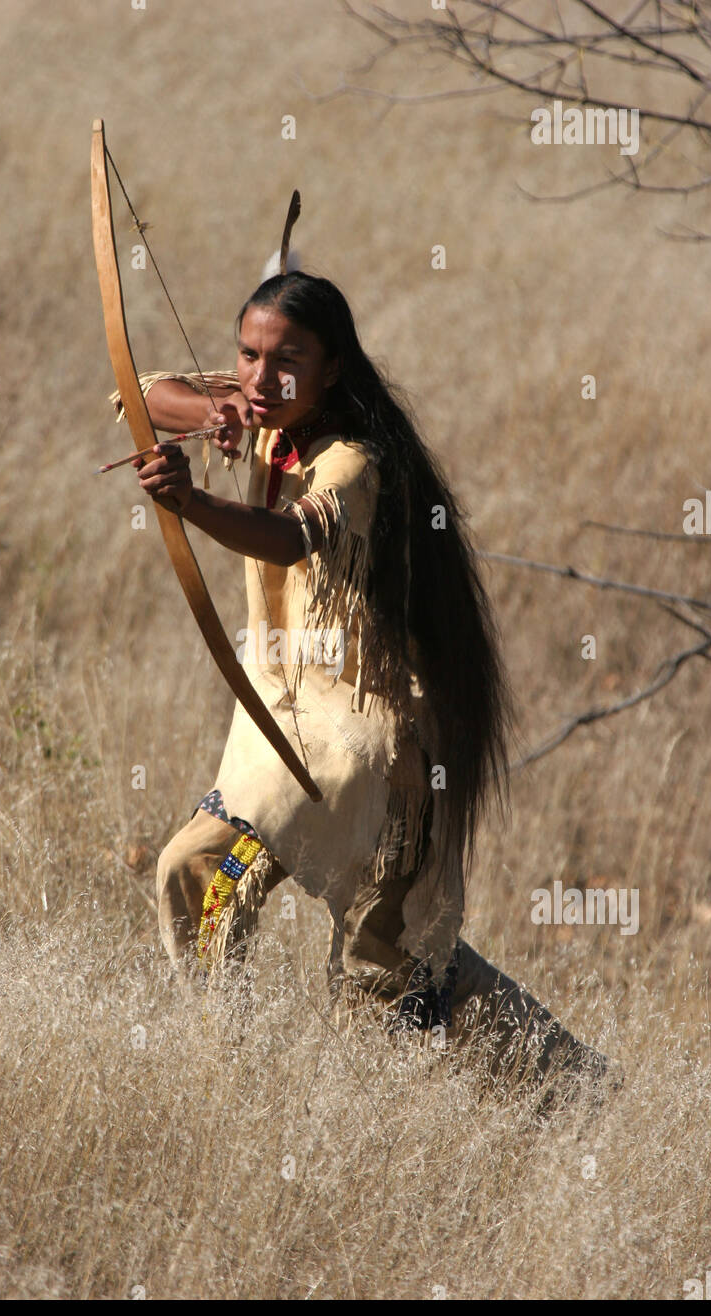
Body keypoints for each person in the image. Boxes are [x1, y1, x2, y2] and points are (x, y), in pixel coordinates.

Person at [125, 269, 612, 1096]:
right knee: (198, 873)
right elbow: (137, 393)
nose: (262, 376)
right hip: (287, 739)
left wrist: (192, 499)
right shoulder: (258, 406)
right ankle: (225, 1078)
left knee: (389, 980)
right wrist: (213, 414)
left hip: (377, 766)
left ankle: (569, 1086)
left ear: (334, 367)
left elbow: (288, 538)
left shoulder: (353, 461)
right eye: (248, 355)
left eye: (289, 360)